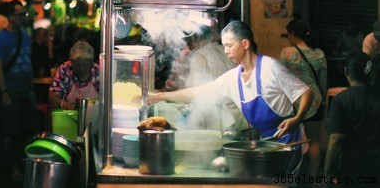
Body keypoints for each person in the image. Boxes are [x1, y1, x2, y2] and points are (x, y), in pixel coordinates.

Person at [148, 21, 313, 171]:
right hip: (267, 146)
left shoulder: (270, 68)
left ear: (245, 44)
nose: (225, 51)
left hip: (290, 144)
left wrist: (297, 118)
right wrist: (161, 96)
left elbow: (306, 92)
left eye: (229, 46)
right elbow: (198, 92)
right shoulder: (233, 77)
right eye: (224, 45)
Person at [0, 0, 37, 183]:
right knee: (11, 131)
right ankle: (13, 167)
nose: (24, 17)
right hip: (11, 90)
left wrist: (32, 87)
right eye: (20, 14)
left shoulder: (25, 35)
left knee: (31, 127)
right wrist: (4, 92)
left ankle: (26, 163)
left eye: (24, 14)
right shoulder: (1, 38)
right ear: (10, 17)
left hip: (26, 89)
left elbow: (29, 61)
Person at [279, 18, 327, 177]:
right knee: (314, 142)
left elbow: (280, 80)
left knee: (293, 140)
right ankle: (313, 180)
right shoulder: (319, 53)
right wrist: (323, 102)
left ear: (293, 34)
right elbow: (323, 82)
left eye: (288, 35)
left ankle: (293, 176)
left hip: (293, 103)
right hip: (315, 102)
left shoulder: (287, 53)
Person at [324, 51, 380, 186]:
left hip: (352, 166)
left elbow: (336, 139)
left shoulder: (341, 100)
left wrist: (327, 171)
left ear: (346, 72)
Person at [48, 40, 100, 110]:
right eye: (78, 65)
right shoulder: (64, 70)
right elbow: (52, 97)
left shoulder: (98, 72)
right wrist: (69, 107)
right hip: (69, 115)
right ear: (71, 62)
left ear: (91, 62)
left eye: (85, 65)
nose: (82, 69)